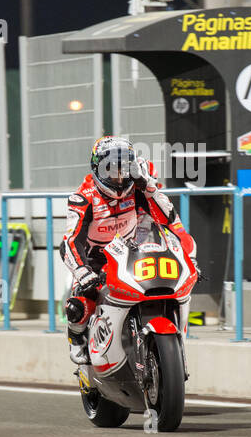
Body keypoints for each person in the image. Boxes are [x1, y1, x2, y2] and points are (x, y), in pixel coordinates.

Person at [60, 136, 196, 366]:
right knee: (79, 307)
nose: (119, 177)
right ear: (97, 169)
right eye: (112, 169)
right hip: (94, 261)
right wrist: (83, 272)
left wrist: (148, 188)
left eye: (124, 169)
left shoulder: (136, 190)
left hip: (128, 254)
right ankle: (77, 339)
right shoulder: (82, 198)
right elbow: (70, 242)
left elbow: (169, 219)